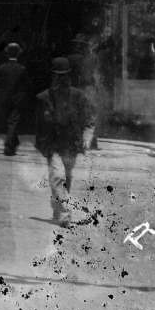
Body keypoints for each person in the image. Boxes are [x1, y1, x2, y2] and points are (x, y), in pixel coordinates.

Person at [35, 56, 92, 226]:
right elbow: (39, 125)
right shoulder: (43, 98)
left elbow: (88, 119)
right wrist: (42, 145)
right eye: (57, 75)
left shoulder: (79, 96)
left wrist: (87, 138)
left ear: (68, 76)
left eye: (64, 75)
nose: (60, 79)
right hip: (53, 145)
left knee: (65, 179)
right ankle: (66, 216)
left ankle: (57, 206)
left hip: (71, 145)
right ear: (53, 76)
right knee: (58, 178)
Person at [0, 42, 31, 156]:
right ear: (18, 54)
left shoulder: (2, 68)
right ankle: (9, 147)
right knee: (13, 122)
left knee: (9, 122)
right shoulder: (22, 69)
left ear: (7, 54)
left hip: (4, 100)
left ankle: (14, 141)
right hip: (17, 100)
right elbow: (28, 85)